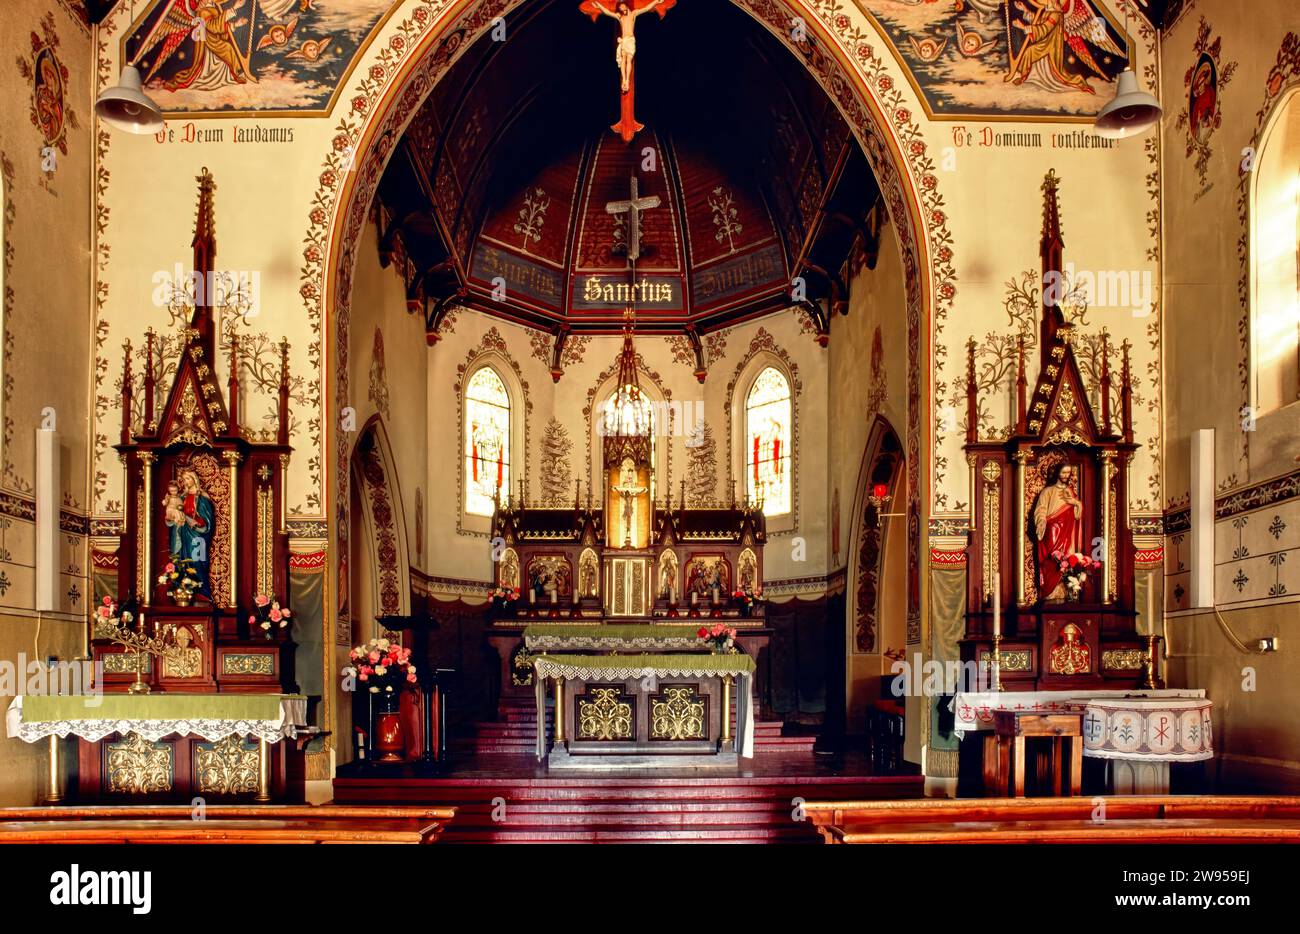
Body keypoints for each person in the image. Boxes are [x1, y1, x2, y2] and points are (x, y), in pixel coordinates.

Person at [1032, 462, 1082, 601]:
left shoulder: (1070, 492)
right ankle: (1050, 592)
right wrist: (1041, 522)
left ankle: (1065, 591)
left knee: (1065, 559)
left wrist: (1076, 503)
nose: (1066, 476)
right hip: (1052, 530)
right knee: (1051, 560)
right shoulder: (1048, 491)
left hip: (1067, 531)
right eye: (1063, 472)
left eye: (1068, 473)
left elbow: (1077, 516)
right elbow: (1041, 509)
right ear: (1057, 473)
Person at [593, 0, 663, 93]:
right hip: (624, 40)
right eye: (620, 8)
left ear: (626, 6)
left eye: (622, 6)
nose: (621, 8)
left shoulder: (634, 13)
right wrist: (599, 6)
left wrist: (656, 1)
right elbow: (608, 12)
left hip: (630, 40)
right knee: (623, 60)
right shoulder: (620, 16)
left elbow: (646, 8)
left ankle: (627, 80)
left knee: (629, 60)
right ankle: (624, 79)